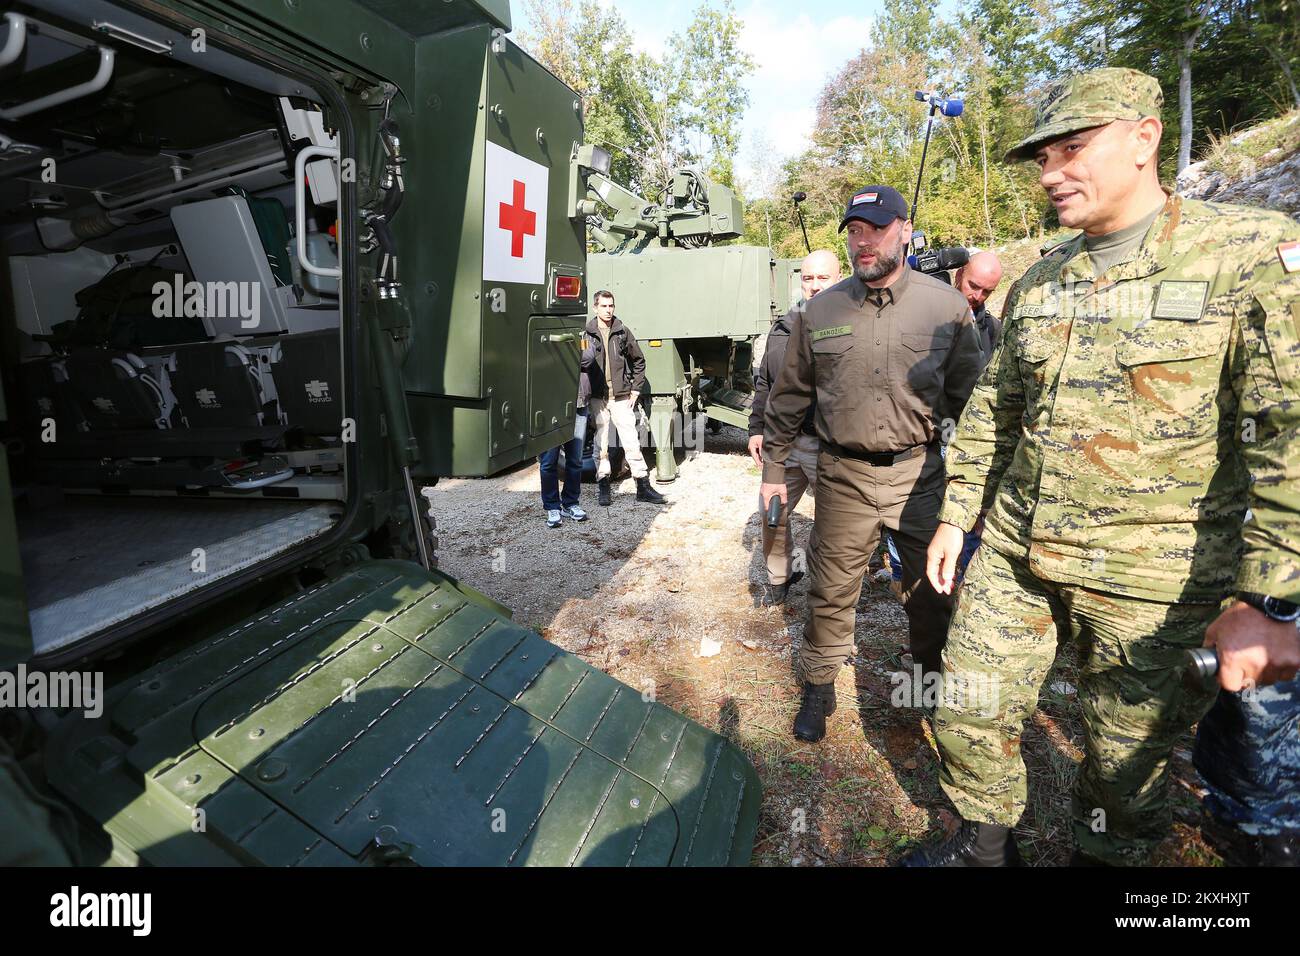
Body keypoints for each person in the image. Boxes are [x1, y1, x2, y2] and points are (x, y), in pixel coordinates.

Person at [904, 67, 1300, 868]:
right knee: (967, 707)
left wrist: (1274, 601)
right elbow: (995, 409)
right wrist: (957, 513)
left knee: (1127, 765)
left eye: (1073, 150)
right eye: (1043, 157)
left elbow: (1288, 431)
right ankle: (983, 846)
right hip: (1016, 551)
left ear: (1144, 138)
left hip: (1152, 576)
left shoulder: (1247, 255)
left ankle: (1103, 860)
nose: (1051, 173)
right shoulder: (1044, 279)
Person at [760, 184, 983, 742]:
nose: (863, 242)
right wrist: (771, 473)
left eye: (876, 228)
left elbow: (971, 401)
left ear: (905, 229)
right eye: (855, 231)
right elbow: (789, 398)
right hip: (843, 475)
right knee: (831, 588)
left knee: (933, 590)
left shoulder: (946, 308)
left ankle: (929, 682)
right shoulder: (821, 311)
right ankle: (818, 684)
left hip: (918, 475)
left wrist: (969, 480)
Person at [884, 250, 1007, 592]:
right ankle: (902, 575)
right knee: (911, 515)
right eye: (973, 286)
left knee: (959, 516)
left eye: (987, 291)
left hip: (964, 439)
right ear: (958, 276)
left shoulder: (991, 328)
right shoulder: (929, 314)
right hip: (924, 436)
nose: (977, 296)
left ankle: (956, 580)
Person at [748, 249, 842, 605]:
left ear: (838, 279)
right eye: (808, 278)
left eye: (823, 278)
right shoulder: (783, 327)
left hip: (830, 447)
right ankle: (779, 577)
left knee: (835, 526)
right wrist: (756, 427)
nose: (815, 286)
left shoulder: (852, 326)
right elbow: (766, 383)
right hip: (785, 443)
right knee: (771, 513)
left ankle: (829, 593)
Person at [585, 290, 666, 506]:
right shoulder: (586, 334)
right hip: (597, 398)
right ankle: (603, 486)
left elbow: (639, 360)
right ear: (595, 308)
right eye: (603, 306)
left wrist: (636, 390)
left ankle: (642, 486)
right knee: (600, 444)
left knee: (631, 441)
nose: (608, 310)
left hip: (620, 397)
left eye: (611, 305)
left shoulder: (622, 331)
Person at [539, 345, 594, 527]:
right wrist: (568, 353)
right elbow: (540, 361)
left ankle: (570, 503)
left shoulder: (580, 333)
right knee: (548, 461)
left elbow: (587, 357)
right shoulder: (545, 332)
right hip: (549, 403)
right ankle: (552, 506)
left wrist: (559, 352)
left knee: (575, 460)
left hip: (578, 403)